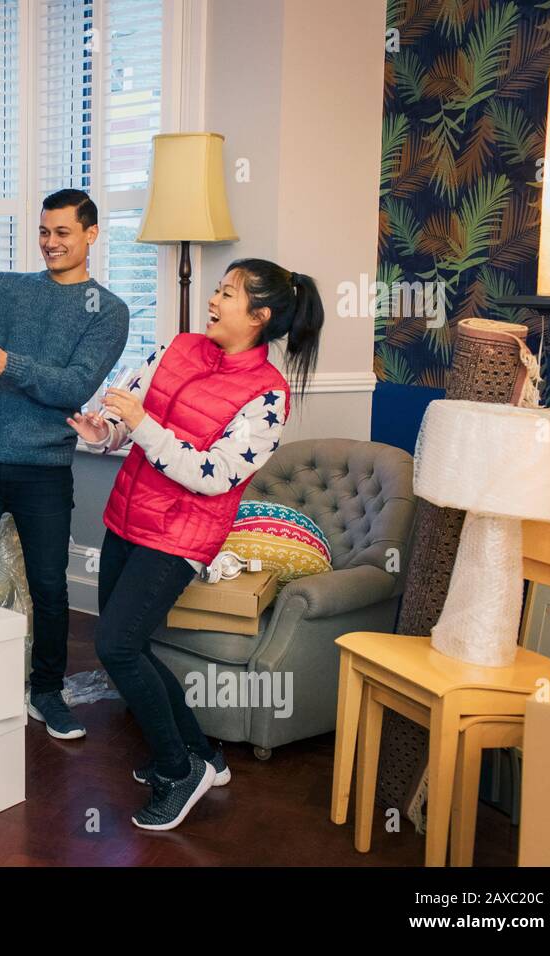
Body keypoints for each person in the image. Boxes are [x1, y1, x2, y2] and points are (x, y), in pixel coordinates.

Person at [69, 258, 324, 831]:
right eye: (217, 288)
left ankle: (178, 769)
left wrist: (139, 426)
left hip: (182, 536)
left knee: (115, 646)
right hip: (127, 519)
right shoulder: (178, 347)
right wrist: (104, 432)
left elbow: (215, 475)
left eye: (228, 294)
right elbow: (129, 414)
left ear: (259, 316)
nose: (214, 299)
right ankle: (203, 754)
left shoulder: (267, 396)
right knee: (129, 644)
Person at [0, 189, 129, 740]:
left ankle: (47, 692)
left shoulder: (108, 311)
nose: (50, 243)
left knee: (49, 586)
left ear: (91, 235)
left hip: (43, 467)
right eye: (45, 232)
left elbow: (73, 385)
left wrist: (9, 360)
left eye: (63, 233)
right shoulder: (7, 287)